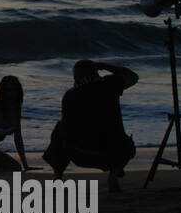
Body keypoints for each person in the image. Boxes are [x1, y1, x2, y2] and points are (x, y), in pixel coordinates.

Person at [43, 59, 138, 192]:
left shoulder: (70, 95)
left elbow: (66, 126)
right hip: (113, 153)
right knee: (127, 143)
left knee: (60, 129)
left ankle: (58, 176)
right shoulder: (110, 84)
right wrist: (105, 66)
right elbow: (133, 77)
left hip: (81, 154)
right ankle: (113, 175)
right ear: (95, 72)